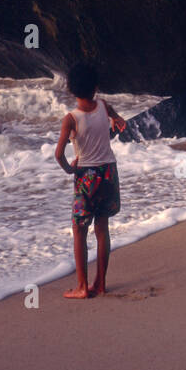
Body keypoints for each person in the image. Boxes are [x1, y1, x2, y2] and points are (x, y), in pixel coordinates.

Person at [54, 63, 126, 299]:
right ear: (96, 87)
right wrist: (115, 123)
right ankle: (101, 283)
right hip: (108, 172)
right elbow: (120, 121)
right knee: (102, 229)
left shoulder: (71, 119)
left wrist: (68, 170)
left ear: (71, 90)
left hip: (86, 175)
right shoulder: (104, 106)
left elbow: (58, 154)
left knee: (79, 230)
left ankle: (83, 287)